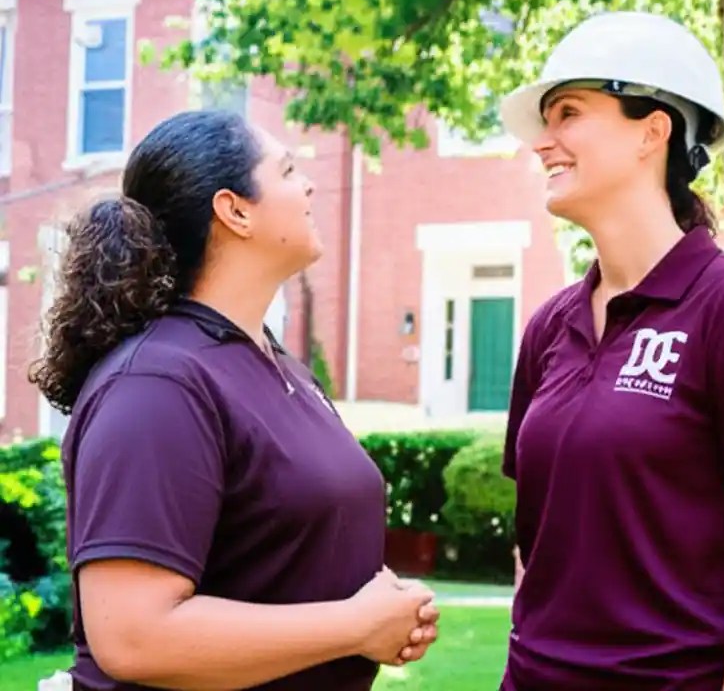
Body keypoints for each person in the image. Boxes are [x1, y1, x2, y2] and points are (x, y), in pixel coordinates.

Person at [28, 110, 439, 691]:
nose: (310, 185)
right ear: (235, 210)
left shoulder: (275, 365)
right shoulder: (157, 384)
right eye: (289, 171)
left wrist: (383, 613)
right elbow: (133, 635)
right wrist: (353, 626)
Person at [496, 11, 724, 690]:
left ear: (653, 130)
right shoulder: (547, 329)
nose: (544, 143)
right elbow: (537, 542)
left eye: (568, 114)